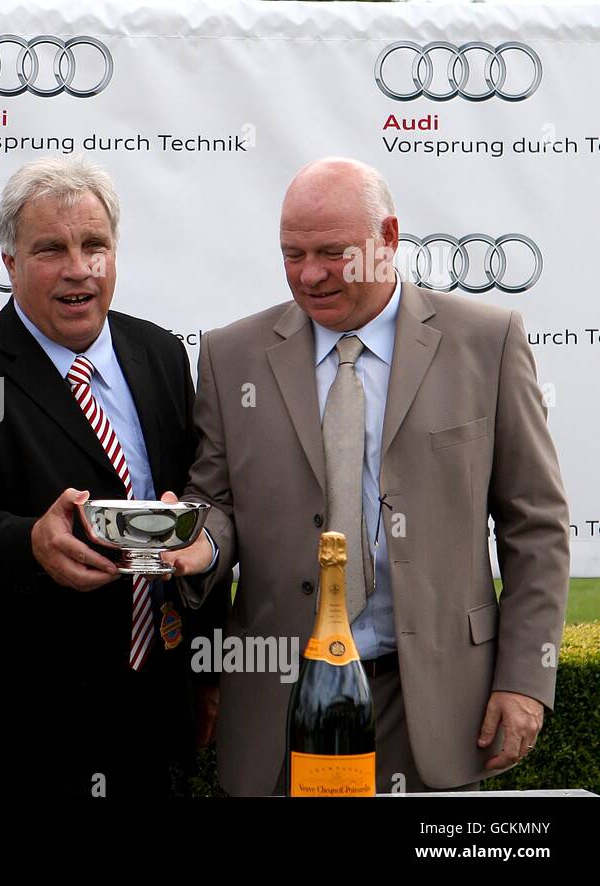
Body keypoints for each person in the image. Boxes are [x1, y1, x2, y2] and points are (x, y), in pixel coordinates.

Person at [174, 157, 570, 795]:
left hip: (435, 709)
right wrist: (202, 544)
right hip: (283, 705)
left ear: (387, 237)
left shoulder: (486, 343)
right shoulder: (231, 354)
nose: (309, 275)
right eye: (292, 254)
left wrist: (524, 679)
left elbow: (537, 525)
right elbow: (213, 498)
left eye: (331, 253)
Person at [0, 156, 226, 797]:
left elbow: (199, 504)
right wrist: (31, 542)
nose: (78, 268)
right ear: (10, 262)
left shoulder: (160, 354)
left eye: (94, 245)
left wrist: (208, 669)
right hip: (22, 716)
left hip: (154, 698)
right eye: (50, 248)